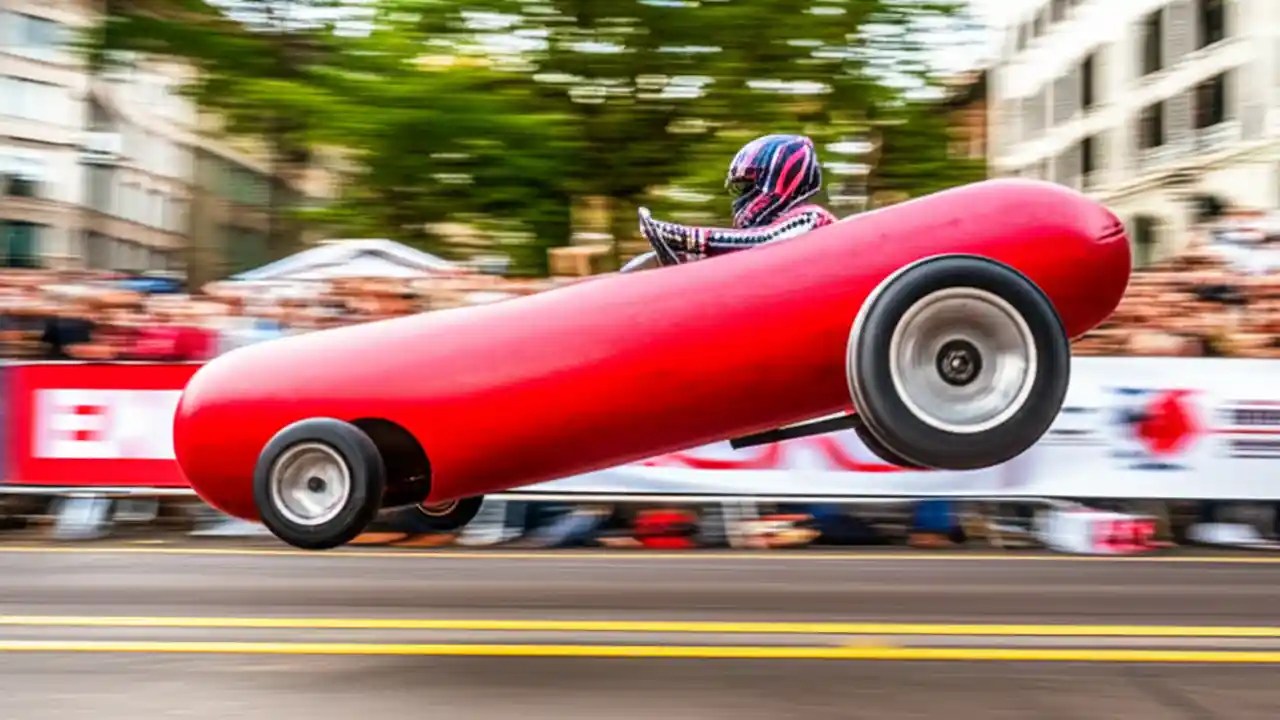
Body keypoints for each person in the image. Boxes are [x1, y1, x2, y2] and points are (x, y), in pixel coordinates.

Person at [639, 134, 837, 264]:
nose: (741, 197)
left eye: (747, 186)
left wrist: (685, 238)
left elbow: (764, 242)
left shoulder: (812, 219)